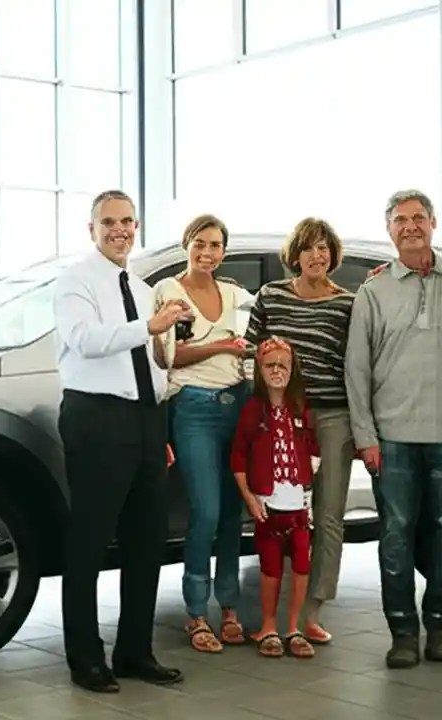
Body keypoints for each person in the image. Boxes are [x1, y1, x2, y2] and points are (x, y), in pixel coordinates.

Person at [53, 189, 187, 693]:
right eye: (108, 222)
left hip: (145, 421)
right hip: (97, 419)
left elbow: (148, 361)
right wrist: (147, 326)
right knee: (88, 541)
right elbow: (85, 340)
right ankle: (85, 659)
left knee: (146, 541)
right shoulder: (76, 281)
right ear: (92, 229)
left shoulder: (142, 286)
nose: (120, 230)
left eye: (127, 221)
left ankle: (134, 651)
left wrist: (159, 424)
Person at [345, 190, 442, 669]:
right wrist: (366, 436)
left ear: (434, 223)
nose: (411, 226)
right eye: (401, 220)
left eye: (419, 217)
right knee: (395, 535)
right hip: (392, 438)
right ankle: (401, 632)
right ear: (389, 229)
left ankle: (439, 627)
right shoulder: (374, 291)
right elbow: (357, 368)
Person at [244, 217, 355, 645]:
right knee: (278, 513)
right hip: (280, 417)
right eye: (308, 247)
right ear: (295, 254)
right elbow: (250, 355)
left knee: (327, 516)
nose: (316, 255)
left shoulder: (346, 304)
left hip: (331, 417)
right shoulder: (271, 296)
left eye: (324, 247)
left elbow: (358, 366)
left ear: (333, 255)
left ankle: (311, 612)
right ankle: (274, 616)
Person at [151, 214, 252, 653]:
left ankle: (229, 607)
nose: (207, 253)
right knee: (206, 511)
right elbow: (168, 356)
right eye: (200, 243)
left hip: (238, 406)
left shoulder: (236, 295)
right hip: (193, 409)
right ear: (186, 244)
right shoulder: (168, 291)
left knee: (232, 514)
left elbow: (251, 349)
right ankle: (196, 612)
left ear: (224, 252)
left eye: (215, 245)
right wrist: (222, 345)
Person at [231, 337, 318, 659]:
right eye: (270, 365)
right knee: (270, 567)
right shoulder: (253, 410)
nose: (277, 371)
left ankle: (294, 627)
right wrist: (250, 498)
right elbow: (238, 456)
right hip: (268, 506)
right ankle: (268, 625)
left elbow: (313, 449)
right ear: (259, 369)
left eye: (283, 365)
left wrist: (309, 489)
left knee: (302, 564)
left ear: (293, 369)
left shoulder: (300, 409)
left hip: (299, 506)